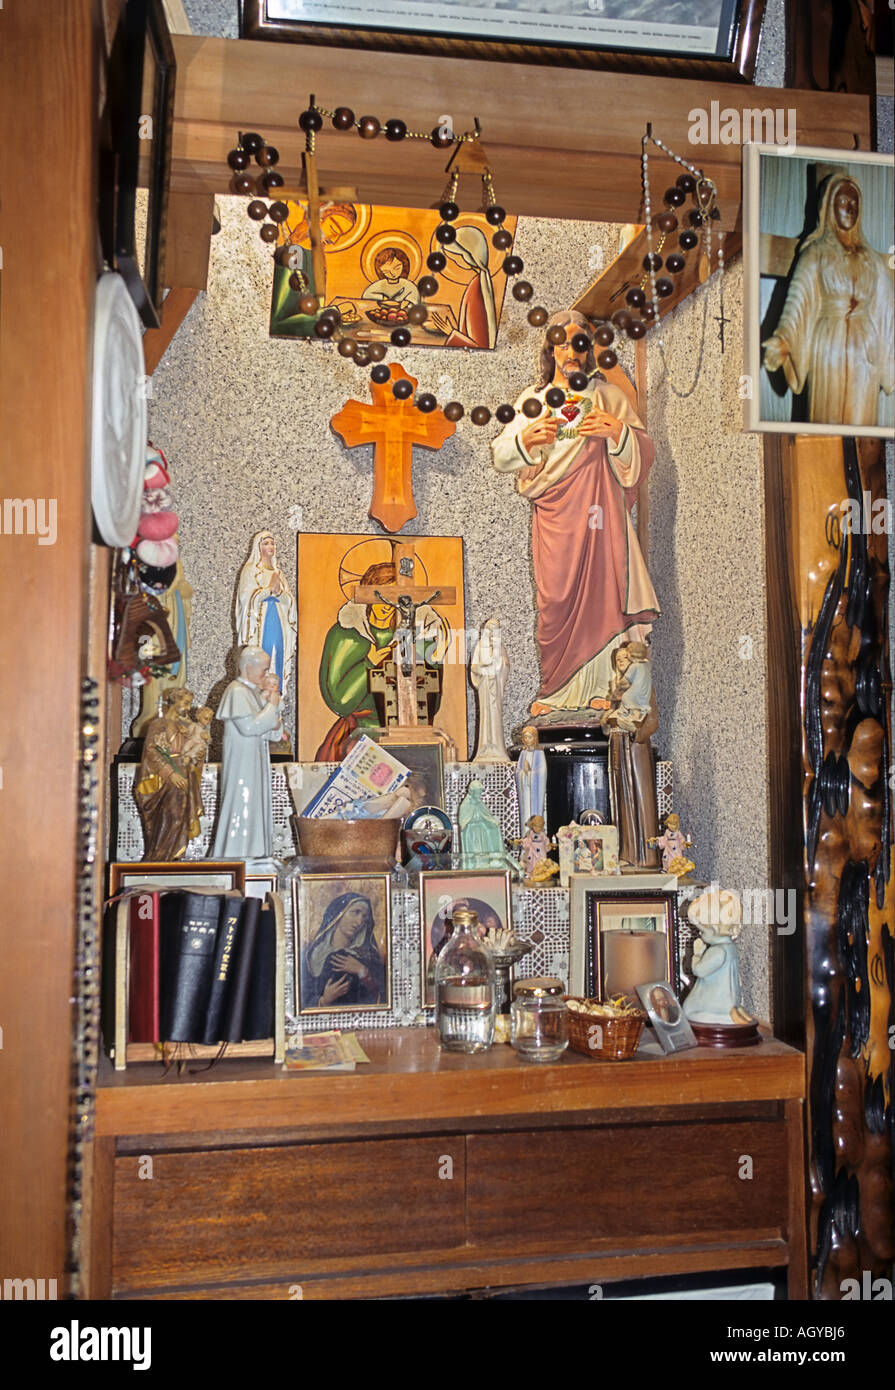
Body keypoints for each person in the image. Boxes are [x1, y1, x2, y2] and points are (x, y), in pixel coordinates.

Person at [492, 310, 659, 715]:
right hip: (555, 519)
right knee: (555, 601)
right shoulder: (532, 402)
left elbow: (644, 454)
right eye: (562, 343)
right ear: (550, 349)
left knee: (604, 593)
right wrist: (526, 440)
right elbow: (501, 454)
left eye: (579, 343)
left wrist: (617, 433)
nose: (571, 352)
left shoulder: (610, 399)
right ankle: (555, 690)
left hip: (601, 519)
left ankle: (606, 686)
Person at [762, 171, 894, 427]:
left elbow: (889, 310)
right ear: (831, 206)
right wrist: (783, 340)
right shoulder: (816, 253)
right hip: (828, 346)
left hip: (865, 348)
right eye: (843, 201)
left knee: (862, 421)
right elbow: (798, 300)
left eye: (854, 203)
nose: (849, 207)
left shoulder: (872, 261)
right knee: (826, 419)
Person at [315, 560, 448, 760]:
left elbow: (431, 704)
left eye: (394, 597)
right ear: (368, 594)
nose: (387, 605)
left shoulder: (418, 635)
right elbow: (340, 701)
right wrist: (369, 663)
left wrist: (434, 654)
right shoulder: (347, 634)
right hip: (360, 740)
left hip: (410, 739)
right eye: (382, 596)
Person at [211, 646, 286, 860]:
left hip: (254, 761)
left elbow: (269, 733)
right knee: (241, 807)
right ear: (249, 667)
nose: (266, 674)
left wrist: (274, 715)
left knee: (253, 808)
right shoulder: (236, 691)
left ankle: (255, 854)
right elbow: (250, 728)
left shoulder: (250, 692)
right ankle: (238, 856)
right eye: (263, 669)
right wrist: (271, 707)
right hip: (241, 766)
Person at [134, 687, 202, 861]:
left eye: (189, 704)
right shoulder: (158, 724)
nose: (188, 708)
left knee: (181, 819)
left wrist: (195, 757)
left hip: (184, 776)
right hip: (167, 780)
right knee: (169, 818)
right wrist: (170, 773)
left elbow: (189, 751)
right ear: (174, 701)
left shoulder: (184, 727)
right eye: (185, 703)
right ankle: (159, 859)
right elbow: (151, 751)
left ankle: (174, 858)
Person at [235, 530, 297, 693]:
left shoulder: (279, 573)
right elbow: (245, 598)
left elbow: (289, 599)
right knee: (262, 653)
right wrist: (268, 591)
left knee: (277, 654)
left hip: (278, 619)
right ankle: (257, 694)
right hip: (260, 622)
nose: (271, 546)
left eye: (272, 543)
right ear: (258, 547)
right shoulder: (251, 570)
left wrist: (279, 593)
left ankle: (275, 694)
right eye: (266, 543)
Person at [301, 893, 386, 1009]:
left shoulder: (369, 957)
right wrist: (324, 1000)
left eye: (364, 917)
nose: (359, 921)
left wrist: (363, 972)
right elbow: (300, 1000)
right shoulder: (310, 956)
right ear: (339, 914)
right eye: (355, 912)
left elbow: (383, 999)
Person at [427, 225, 498, 349]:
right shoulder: (477, 282)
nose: (455, 260)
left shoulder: (477, 289)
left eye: (457, 256)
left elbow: (480, 346)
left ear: (470, 256)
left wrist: (451, 332)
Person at [470, 617, 511, 763]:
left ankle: (498, 749)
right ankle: (484, 749)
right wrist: (483, 669)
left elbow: (506, 665)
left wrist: (498, 667)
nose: (492, 632)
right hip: (485, 686)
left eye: (495, 629)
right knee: (486, 718)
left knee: (495, 718)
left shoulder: (500, 647)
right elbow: (474, 667)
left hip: (495, 686)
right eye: (490, 629)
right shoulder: (481, 646)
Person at [516, 724, 547, 835]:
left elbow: (542, 772)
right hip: (525, 791)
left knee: (534, 815)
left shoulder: (539, 753)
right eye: (525, 737)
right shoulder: (523, 754)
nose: (527, 740)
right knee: (525, 814)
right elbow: (518, 771)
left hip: (535, 793)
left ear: (535, 738)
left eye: (530, 737)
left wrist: (530, 774)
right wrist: (523, 774)